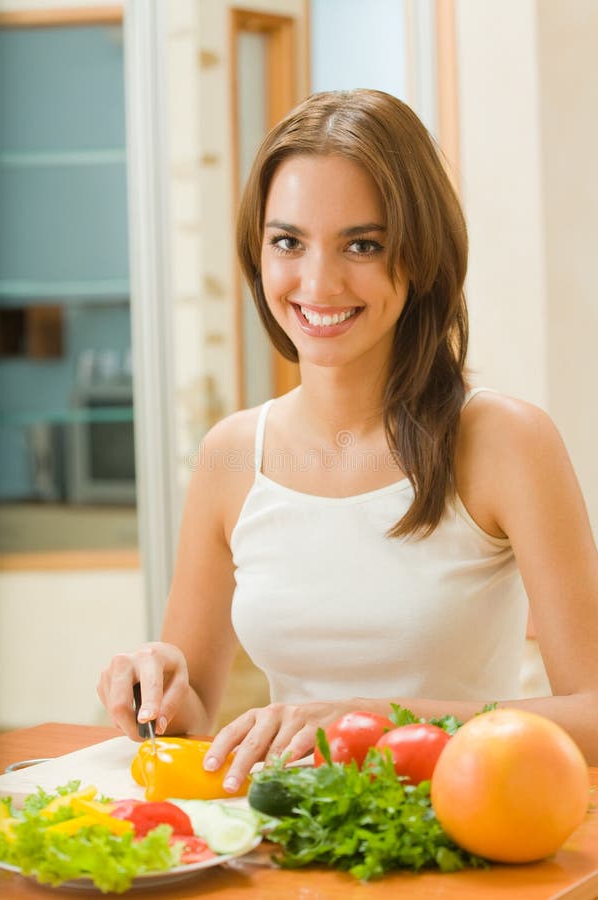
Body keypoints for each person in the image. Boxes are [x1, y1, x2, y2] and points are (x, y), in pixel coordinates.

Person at [98, 89, 598, 791]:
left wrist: (382, 722)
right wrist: (159, 689)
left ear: (420, 257)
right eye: (288, 242)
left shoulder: (504, 442)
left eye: (362, 244)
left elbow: (593, 714)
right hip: (285, 846)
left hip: (459, 837)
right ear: (258, 253)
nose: (318, 282)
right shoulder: (232, 454)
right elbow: (197, 715)